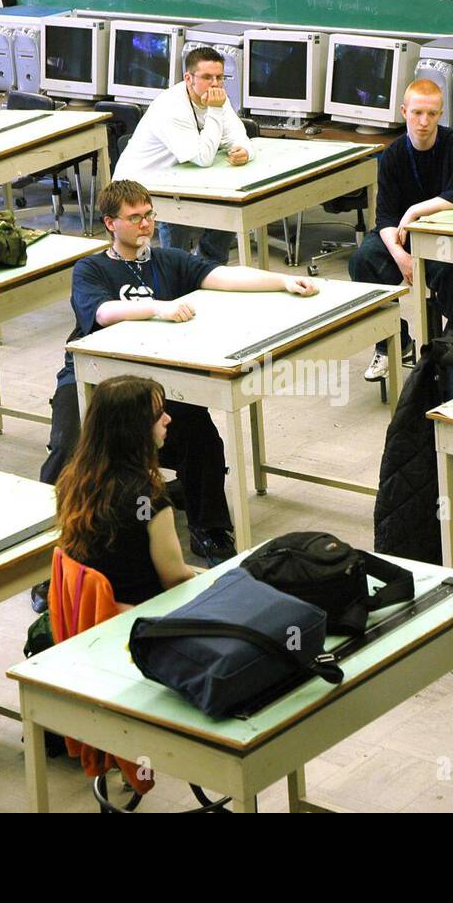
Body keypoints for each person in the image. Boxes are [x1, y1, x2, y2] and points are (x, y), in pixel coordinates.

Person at [42, 180, 318, 565]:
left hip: (154, 378)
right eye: (134, 217)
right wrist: (157, 308)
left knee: (198, 433)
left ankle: (210, 531)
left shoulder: (168, 260)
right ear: (110, 223)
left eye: (149, 214)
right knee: (68, 448)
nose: (145, 224)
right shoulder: (92, 268)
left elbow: (222, 276)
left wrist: (283, 281)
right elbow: (102, 313)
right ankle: (51, 551)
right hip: (93, 380)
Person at [348, 78, 453, 381]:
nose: (424, 121)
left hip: (444, 236)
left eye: (432, 114)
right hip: (403, 238)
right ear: (404, 111)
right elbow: (384, 218)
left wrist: (415, 210)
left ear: (440, 114)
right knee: (363, 261)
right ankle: (393, 341)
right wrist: (400, 256)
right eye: (417, 113)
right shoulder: (394, 155)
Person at [55, 376, 196, 604]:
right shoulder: (150, 501)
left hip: (89, 613)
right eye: (158, 415)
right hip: (137, 619)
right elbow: (175, 578)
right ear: (135, 429)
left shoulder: (73, 480)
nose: (168, 419)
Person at [113, 46, 252, 265]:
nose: (215, 84)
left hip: (183, 178)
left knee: (228, 211)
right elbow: (203, 157)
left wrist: (245, 151)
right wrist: (215, 110)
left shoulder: (216, 99)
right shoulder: (171, 106)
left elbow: (239, 137)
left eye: (220, 77)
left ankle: (207, 270)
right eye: (207, 77)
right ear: (188, 78)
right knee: (177, 237)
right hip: (144, 187)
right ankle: (177, 278)